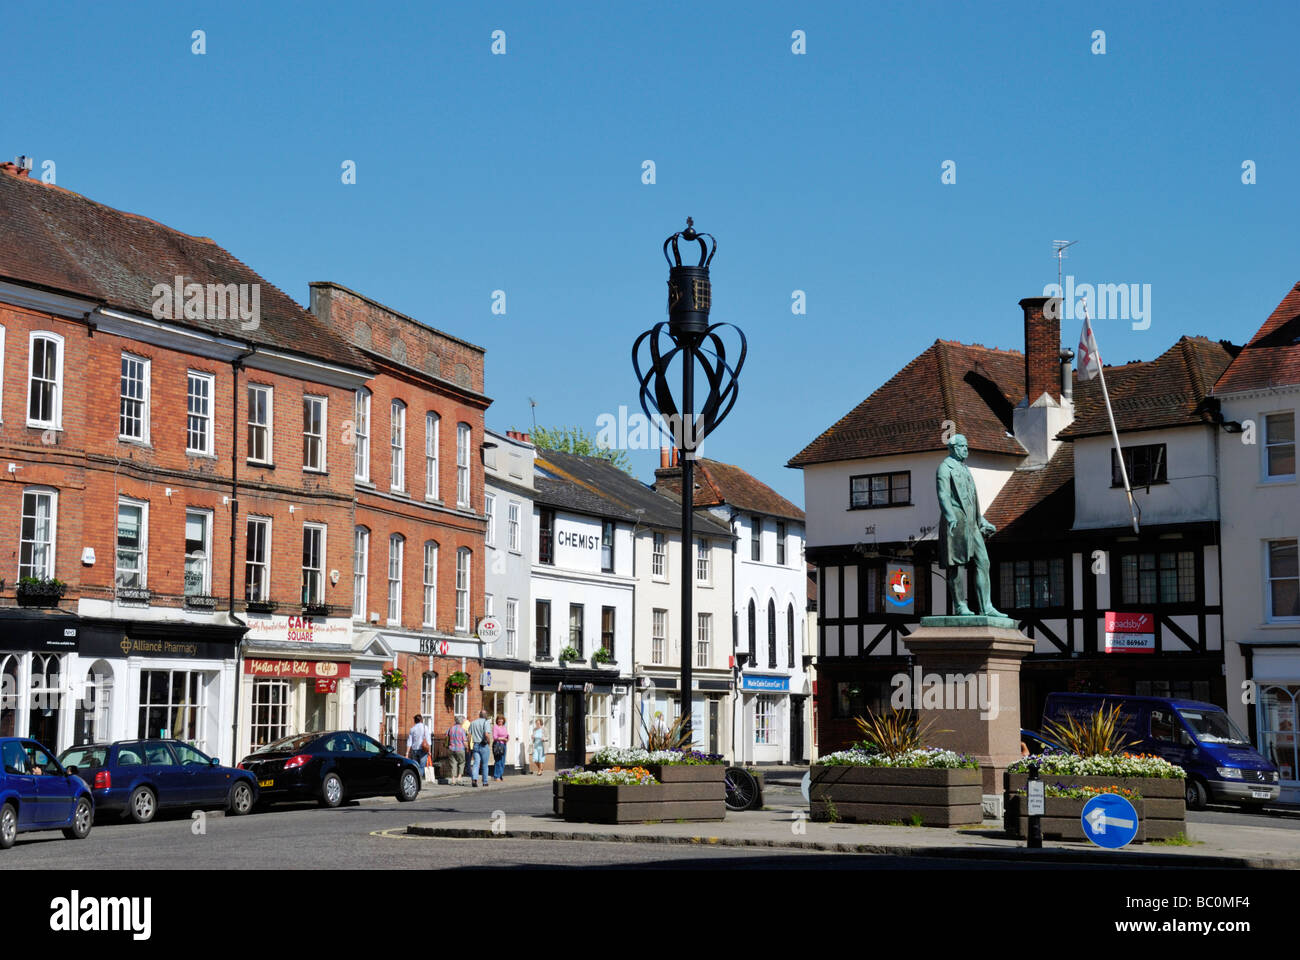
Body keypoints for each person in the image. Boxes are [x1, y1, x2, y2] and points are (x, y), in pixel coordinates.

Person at [469, 710, 493, 787]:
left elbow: (469, 735)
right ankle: (485, 781)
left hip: (475, 744)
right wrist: (489, 742)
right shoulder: (486, 723)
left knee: (476, 763)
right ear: (485, 715)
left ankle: (474, 779)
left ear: (479, 715)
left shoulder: (473, 723)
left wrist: (470, 745)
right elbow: (486, 734)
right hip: (483, 745)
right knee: (485, 764)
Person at [447, 714, 467, 783]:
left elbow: (446, 736)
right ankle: (459, 777)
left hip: (451, 748)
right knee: (462, 762)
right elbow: (464, 741)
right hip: (460, 748)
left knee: (453, 764)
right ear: (461, 722)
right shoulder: (462, 730)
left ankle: (453, 779)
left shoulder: (450, 729)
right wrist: (467, 748)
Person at [491, 714, 509, 781]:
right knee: (498, 761)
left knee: (503, 761)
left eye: (501, 719)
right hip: (497, 745)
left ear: (503, 720)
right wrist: (502, 739)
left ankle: (500, 775)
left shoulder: (504, 727)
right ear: (497, 720)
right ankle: (496, 776)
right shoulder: (495, 727)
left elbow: (507, 735)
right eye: (499, 719)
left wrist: (507, 738)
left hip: (504, 745)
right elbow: (495, 737)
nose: (500, 720)